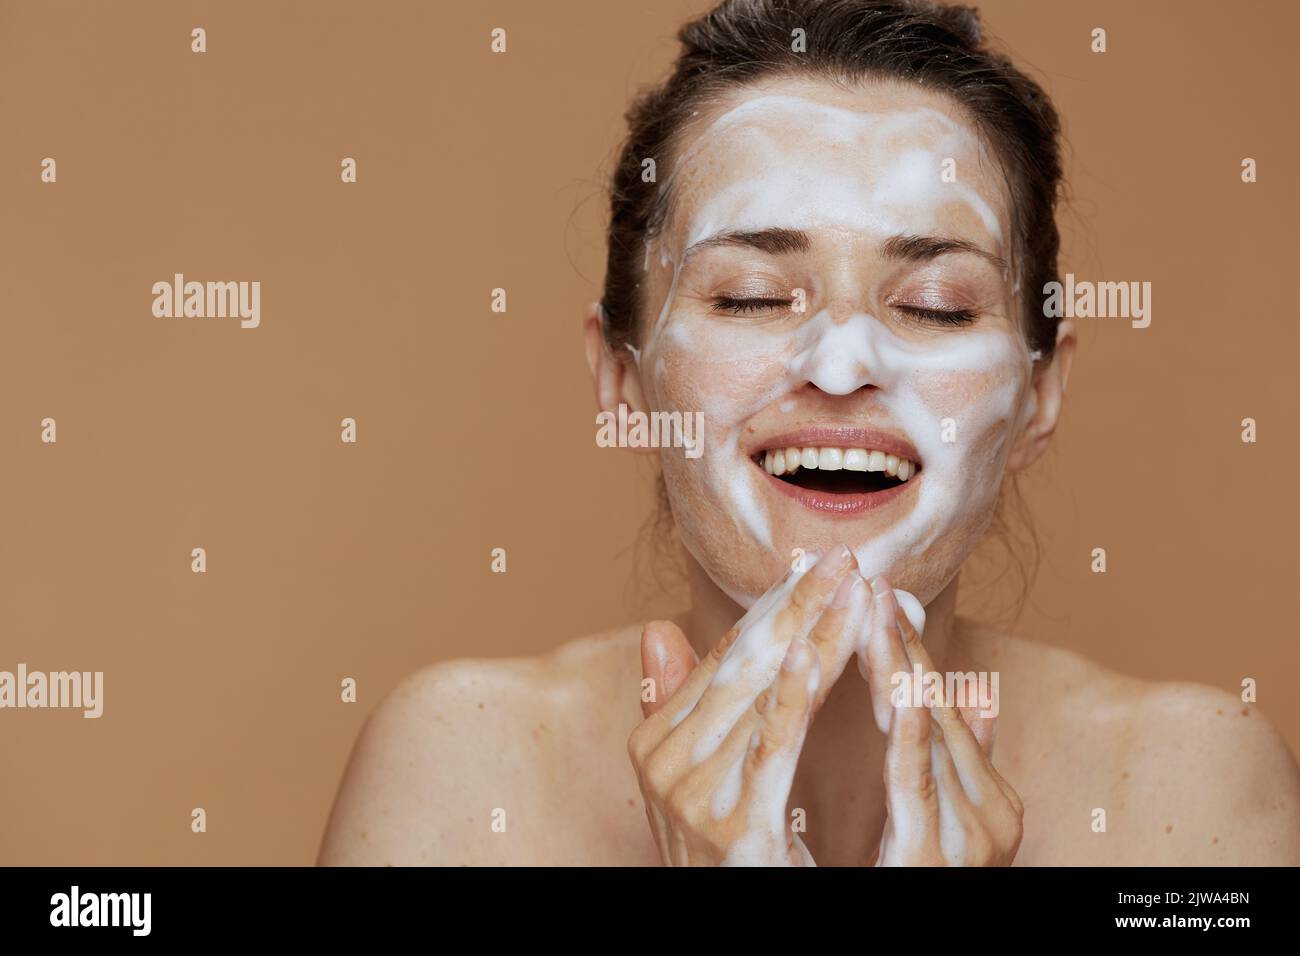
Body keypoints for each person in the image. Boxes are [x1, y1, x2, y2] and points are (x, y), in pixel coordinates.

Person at [318, 0, 1300, 866]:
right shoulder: (460, 771)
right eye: (748, 296)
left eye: (936, 305)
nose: (839, 365)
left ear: (1039, 394)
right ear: (622, 381)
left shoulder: (1186, 790)